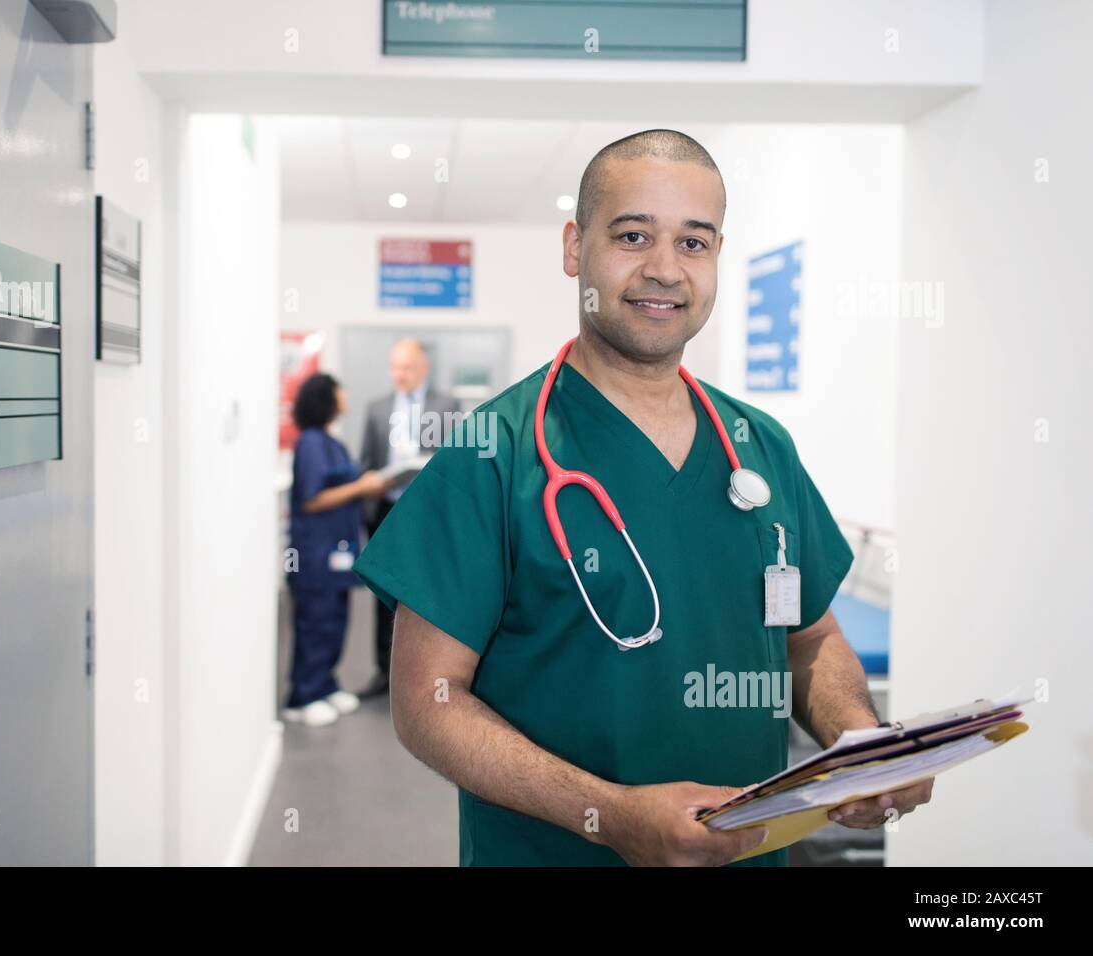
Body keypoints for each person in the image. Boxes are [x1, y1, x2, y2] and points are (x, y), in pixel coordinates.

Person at [353, 129, 934, 866]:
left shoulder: (761, 446)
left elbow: (810, 641)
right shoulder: (490, 454)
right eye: (633, 235)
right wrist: (610, 815)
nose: (664, 269)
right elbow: (426, 704)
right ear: (575, 248)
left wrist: (854, 739)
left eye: (694, 243)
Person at [357, 339, 460, 699]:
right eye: (395, 367)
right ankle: (383, 671)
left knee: (426, 592)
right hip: (386, 510)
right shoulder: (376, 409)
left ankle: (425, 671)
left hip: (427, 513)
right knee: (382, 590)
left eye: (407, 367)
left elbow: (455, 460)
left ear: (424, 368)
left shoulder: (446, 405)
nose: (399, 374)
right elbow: (367, 461)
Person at [283, 372, 388, 727]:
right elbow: (312, 500)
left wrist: (366, 488)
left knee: (334, 622)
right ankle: (302, 695)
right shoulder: (311, 443)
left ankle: (325, 685)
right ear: (327, 397)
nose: (345, 394)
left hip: (338, 552)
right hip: (314, 553)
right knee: (315, 622)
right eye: (339, 389)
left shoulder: (331, 441)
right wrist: (361, 487)